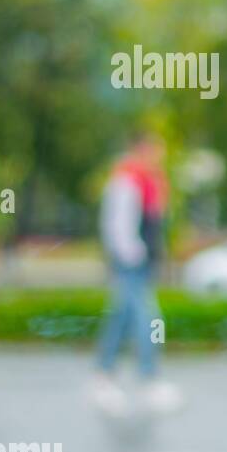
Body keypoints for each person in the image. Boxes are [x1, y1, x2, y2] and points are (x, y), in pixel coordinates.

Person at [89, 131, 181, 415]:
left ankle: (103, 375)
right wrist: (133, 255)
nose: (158, 157)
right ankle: (148, 378)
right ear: (141, 149)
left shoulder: (149, 182)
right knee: (147, 317)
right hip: (131, 262)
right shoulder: (126, 181)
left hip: (141, 262)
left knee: (122, 317)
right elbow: (116, 225)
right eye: (154, 150)